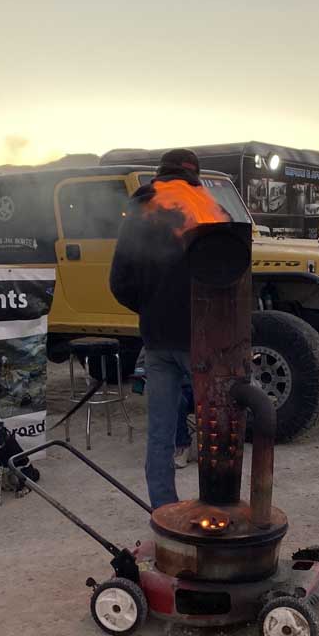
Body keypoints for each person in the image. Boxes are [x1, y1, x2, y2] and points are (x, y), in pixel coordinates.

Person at [109, 149, 226, 508]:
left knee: (160, 433)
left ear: (160, 172)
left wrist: (149, 308)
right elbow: (226, 275)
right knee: (216, 429)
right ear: (194, 175)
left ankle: (164, 511)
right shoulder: (206, 206)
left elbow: (118, 282)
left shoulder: (139, 209)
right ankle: (217, 508)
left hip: (157, 339)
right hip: (201, 339)